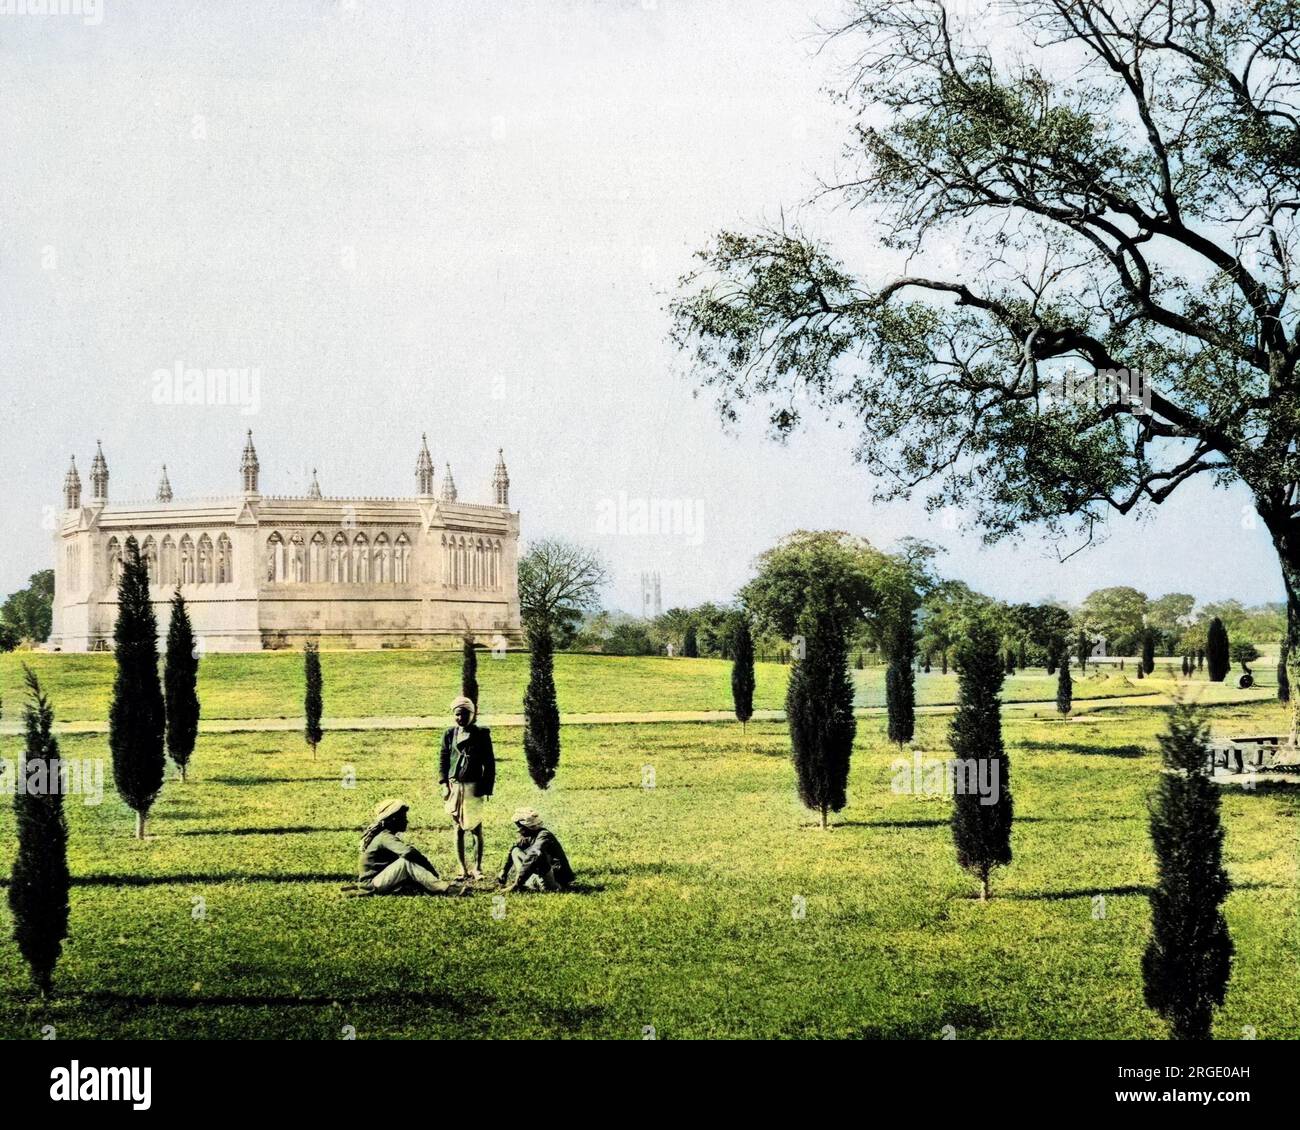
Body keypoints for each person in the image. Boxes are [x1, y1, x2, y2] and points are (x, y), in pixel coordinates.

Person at [345, 798, 465, 897]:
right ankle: (446, 889)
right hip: (372, 885)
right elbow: (409, 852)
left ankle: (429, 887)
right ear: (392, 819)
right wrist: (428, 866)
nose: (406, 821)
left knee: (407, 864)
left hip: (376, 881)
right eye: (403, 817)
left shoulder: (384, 835)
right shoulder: (384, 837)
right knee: (406, 863)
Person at [438, 695, 495, 880]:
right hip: (455, 786)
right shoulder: (449, 734)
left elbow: (489, 763)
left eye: (464, 714)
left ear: (472, 714)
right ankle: (462, 868)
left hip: (473, 787)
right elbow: (444, 759)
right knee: (458, 828)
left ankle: (477, 868)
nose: (460, 718)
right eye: (457, 715)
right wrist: (444, 784)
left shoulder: (481, 734)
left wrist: (486, 787)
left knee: (476, 828)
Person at [497, 807, 574, 892]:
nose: (518, 829)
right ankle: (527, 884)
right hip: (542, 876)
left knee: (536, 856)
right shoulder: (529, 835)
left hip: (556, 880)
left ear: (526, 826)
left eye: (519, 826)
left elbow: (533, 856)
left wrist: (517, 884)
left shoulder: (544, 835)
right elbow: (514, 847)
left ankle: (526, 885)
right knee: (516, 851)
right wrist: (504, 870)